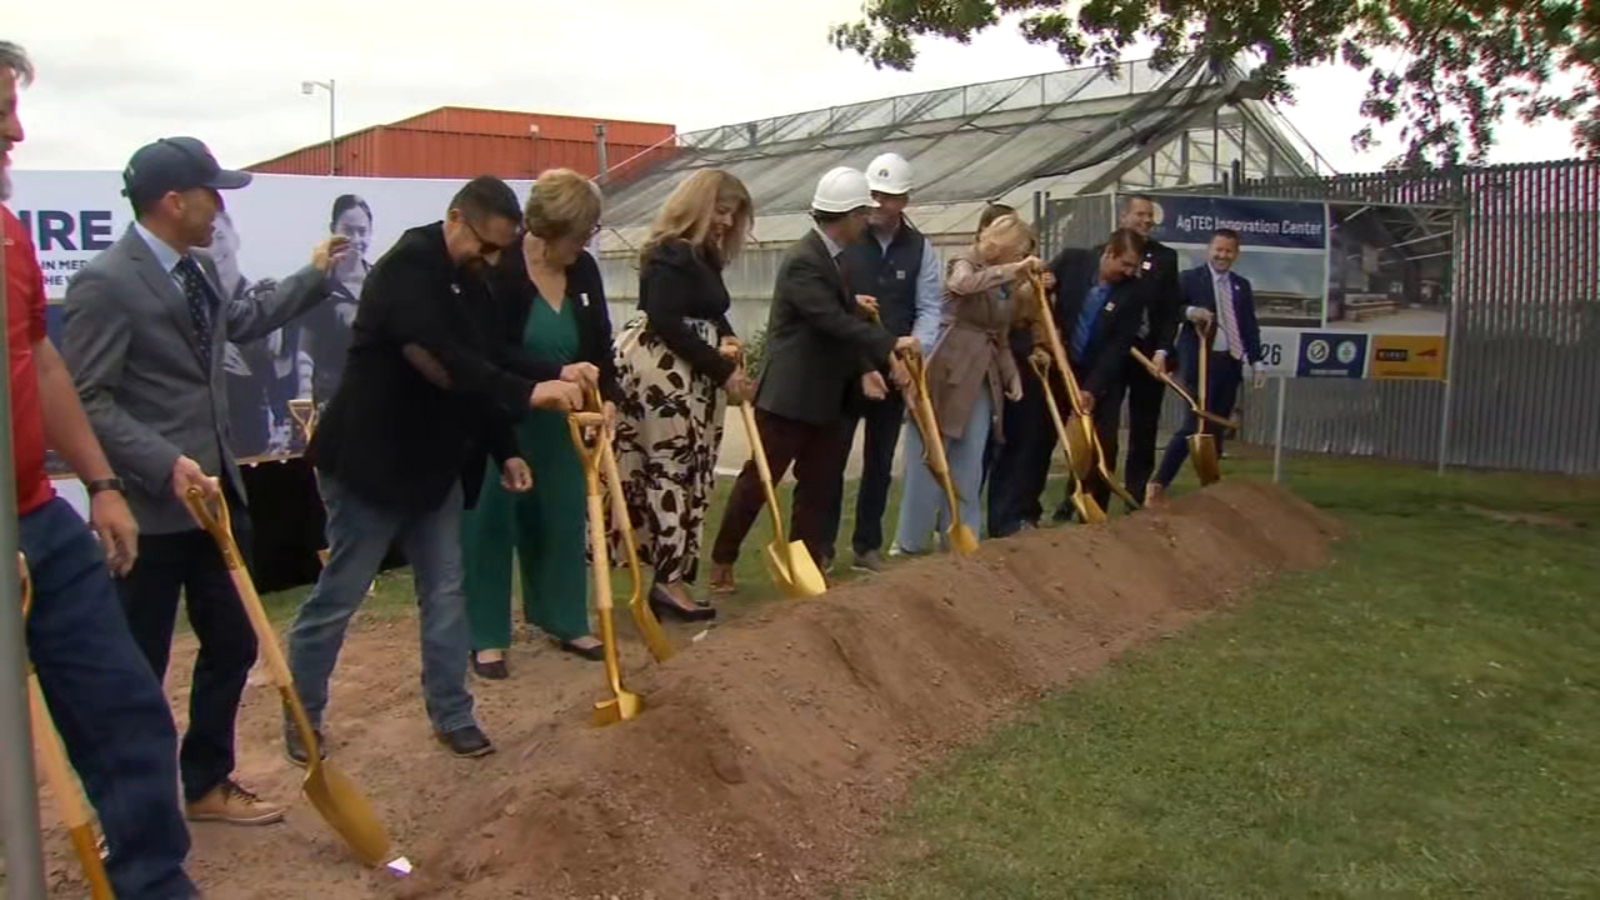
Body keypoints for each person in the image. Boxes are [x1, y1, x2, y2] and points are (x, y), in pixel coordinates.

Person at [61, 135, 347, 827]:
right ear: (172, 201)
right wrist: (162, 464)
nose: (219, 208)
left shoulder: (200, 272)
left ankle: (207, 782)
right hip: (152, 510)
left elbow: (243, 322)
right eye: (210, 193)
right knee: (137, 664)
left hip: (218, 501)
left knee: (233, 643)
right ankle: (129, 806)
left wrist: (311, 275)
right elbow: (87, 398)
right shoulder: (106, 281)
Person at [284, 176, 583, 762]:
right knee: (340, 595)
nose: (492, 259)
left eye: (501, 249)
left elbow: (486, 361)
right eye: (486, 244)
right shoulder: (405, 273)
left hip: (436, 467)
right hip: (370, 465)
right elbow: (450, 363)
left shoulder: (474, 281)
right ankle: (302, 716)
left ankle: (451, 713)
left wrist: (508, 446)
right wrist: (530, 394)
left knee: (447, 592)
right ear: (455, 219)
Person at [4, 41, 200, 898]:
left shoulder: (8, 231)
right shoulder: (113, 279)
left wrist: (104, 484)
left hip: (41, 517)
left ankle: (153, 882)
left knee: (128, 714)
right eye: (0, 111)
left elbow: (40, 361)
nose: (16, 131)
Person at [708, 167, 915, 594]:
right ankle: (723, 559)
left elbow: (845, 319)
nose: (868, 221)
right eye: (864, 213)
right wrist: (888, 347)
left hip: (831, 397)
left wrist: (866, 367)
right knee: (759, 480)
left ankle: (806, 560)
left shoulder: (840, 259)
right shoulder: (805, 260)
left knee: (820, 485)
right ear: (850, 215)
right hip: (791, 394)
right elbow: (830, 320)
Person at [463, 169, 619, 678]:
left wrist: (608, 397)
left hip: (564, 422)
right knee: (491, 521)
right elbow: (490, 348)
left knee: (562, 514)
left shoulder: (585, 270)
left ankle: (565, 617)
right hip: (504, 416)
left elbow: (600, 340)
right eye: (578, 236)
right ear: (549, 229)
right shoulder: (499, 265)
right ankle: (485, 634)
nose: (584, 245)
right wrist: (552, 373)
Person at [611, 169, 754, 620]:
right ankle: (668, 583)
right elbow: (666, 321)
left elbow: (710, 311)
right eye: (721, 211)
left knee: (692, 474)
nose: (727, 223)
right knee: (669, 472)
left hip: (694, 379)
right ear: (698, 206)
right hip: (665, 379)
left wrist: (728, 340)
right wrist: (721, 370)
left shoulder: (702, 256)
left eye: (733, 214)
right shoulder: (668, 255)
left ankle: (673, 578)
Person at [820, 151, 942, 573]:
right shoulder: (847, 241)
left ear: (904, 200)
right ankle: (822, 546)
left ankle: (867, 544)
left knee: (880, 460)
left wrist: (915, 348)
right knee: (832, 459)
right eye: (873, 194)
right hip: (848, 366)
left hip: (897, 370)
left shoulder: (921, 248)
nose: (877, 203)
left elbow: (930, 306)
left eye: (888, 196)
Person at [891, 213, 1034, 555]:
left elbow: (999, 335)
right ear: (1004, 245)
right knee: (929, 454)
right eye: (1018, 252)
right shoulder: (966, 261)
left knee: (970, 459)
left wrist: (1011, 374)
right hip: (947, 367)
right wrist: (1009, 271)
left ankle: (962, 535)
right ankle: (910, 540)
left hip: (982, 375)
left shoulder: (1006, 286)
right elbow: (961, 285)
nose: (1020, 260)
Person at [1057, 193, 1179, 516]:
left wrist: (1162, 350)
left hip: (1145, 355)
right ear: (1123, 217)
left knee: (1143, 427)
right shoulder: (1098, 256)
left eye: (1150, 216)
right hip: (1105, 357)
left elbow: (1169, 311)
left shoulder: (1166, 258)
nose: (1146, 220)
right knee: (1095, 431)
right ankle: (1076, 494)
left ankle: (1134, 495)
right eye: (1140, 214)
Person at [1038, 228, 1150, 514]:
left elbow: (1119, 345)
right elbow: (1038, 290)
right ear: (1109, 253)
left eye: (1133, 267)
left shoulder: (1133, 291)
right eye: (1124, 264)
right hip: (1060, 367)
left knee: (1104, 444)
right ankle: (1036, 507)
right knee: (1043, 437)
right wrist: (1045, 281)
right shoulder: (1072, 261)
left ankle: (1094, 507)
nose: (1128, 271)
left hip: (1101, 376)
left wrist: (1092, 388)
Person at [1148, 228, 1265, 501]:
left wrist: (1257, 361)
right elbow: (1169, 310)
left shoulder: (1241, 286)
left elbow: (1248, 325)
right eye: (1218, 250)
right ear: (1208, 250)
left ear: (1236, 254)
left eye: (1228, 251)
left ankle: (1210, 487)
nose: (1222, 255)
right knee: (1194, 423)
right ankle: (1158, 484)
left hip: (1230, 362)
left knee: (1217, 427)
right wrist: (1190, 312)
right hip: (1200, 361)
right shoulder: (1190, 280)